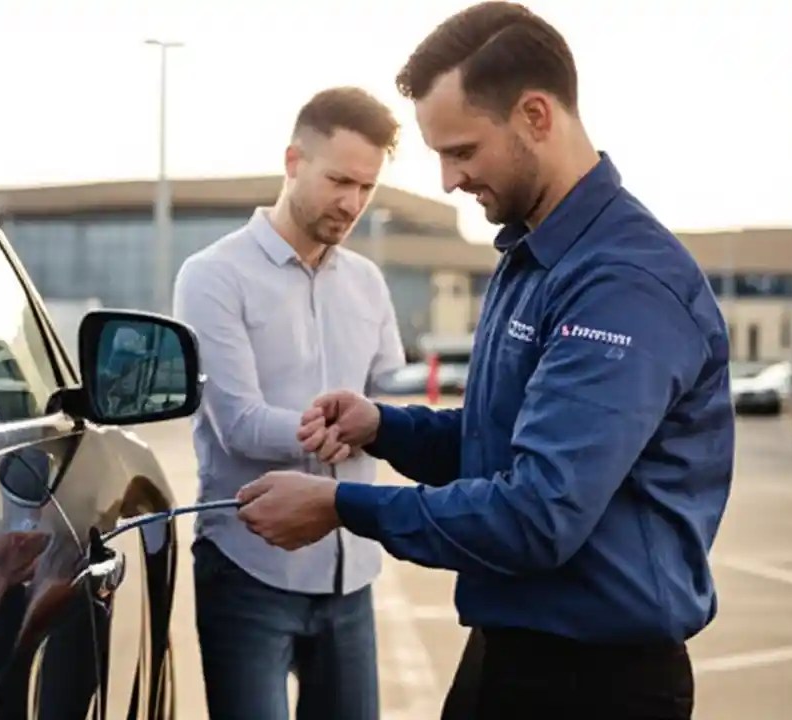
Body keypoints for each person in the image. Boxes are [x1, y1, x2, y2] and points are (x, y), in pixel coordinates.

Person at [235, 3, 735, 718]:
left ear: (536, 116)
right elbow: (497, 446)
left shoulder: (623, 283)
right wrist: (384, 426)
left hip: (598, 683)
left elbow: (536, 512)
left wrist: (340, 505)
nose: (446, 180)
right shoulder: (531, 255)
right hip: (512, 652)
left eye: (462, 151)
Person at [172, 86, 407, 719]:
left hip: (351, 571)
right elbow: (238, 423)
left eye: (366, 187)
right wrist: (338, 427)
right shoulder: (213, 275)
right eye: (338, 180)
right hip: (250, 570)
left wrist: (374, 422)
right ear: (293, 161)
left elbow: (389, 397)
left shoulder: (367, 282)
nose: (351, 203)